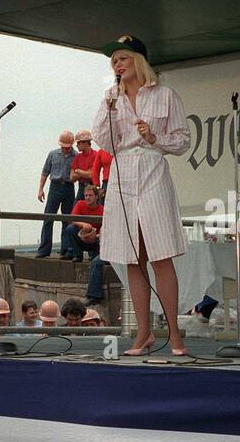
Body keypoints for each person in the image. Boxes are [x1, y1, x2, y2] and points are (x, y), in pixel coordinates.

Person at [91, 35, 190, 356]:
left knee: (160, 254)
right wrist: (108, 109)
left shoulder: (165, 95)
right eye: (114, 61)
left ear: (139, 61)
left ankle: (174, 333)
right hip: (122, 176)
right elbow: (104, 141)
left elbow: (183, 140)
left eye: (123, 58)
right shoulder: (111, 98)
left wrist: (155, 136)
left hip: (152, 169)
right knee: (132, 258)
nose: (118, 65)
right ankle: (143, 333)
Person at [36, 131, 76, 257]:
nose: (65, 149)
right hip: (55, 186)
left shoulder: (76, 156)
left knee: (67, 219)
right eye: (63, 146)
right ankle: (44, 249)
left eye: (67, 147)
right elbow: (45, 172)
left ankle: (66, 249)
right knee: (48, 217)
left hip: (69, 187)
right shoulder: (52, 154)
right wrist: (40, 189)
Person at [62, 183, 104, 261]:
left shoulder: (102, 209)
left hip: (96, 239)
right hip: (82, 237)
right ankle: (77, 255)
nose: (87, 198)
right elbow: (72, 218)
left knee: (96, 258)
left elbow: (106, 226)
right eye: (86, 195)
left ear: (96, 196)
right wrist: (83, 224)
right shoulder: (80, 204)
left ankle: (96, 256)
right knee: (70, 228)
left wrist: (98, 235)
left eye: (90, 195)